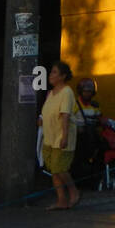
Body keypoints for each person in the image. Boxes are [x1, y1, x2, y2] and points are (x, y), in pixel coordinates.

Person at [39, 61, 79, 210]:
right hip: (49, 136)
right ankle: (61, 200)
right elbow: (47, 111)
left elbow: (65, 115)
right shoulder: (50, 93)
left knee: (60, 168)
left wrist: (64, 137)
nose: (51, 75)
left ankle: (73, 191)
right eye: (51, 72)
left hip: (62, 136)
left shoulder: (67, 92)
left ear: (63, 76)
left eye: (54, 72)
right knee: (53, 170)